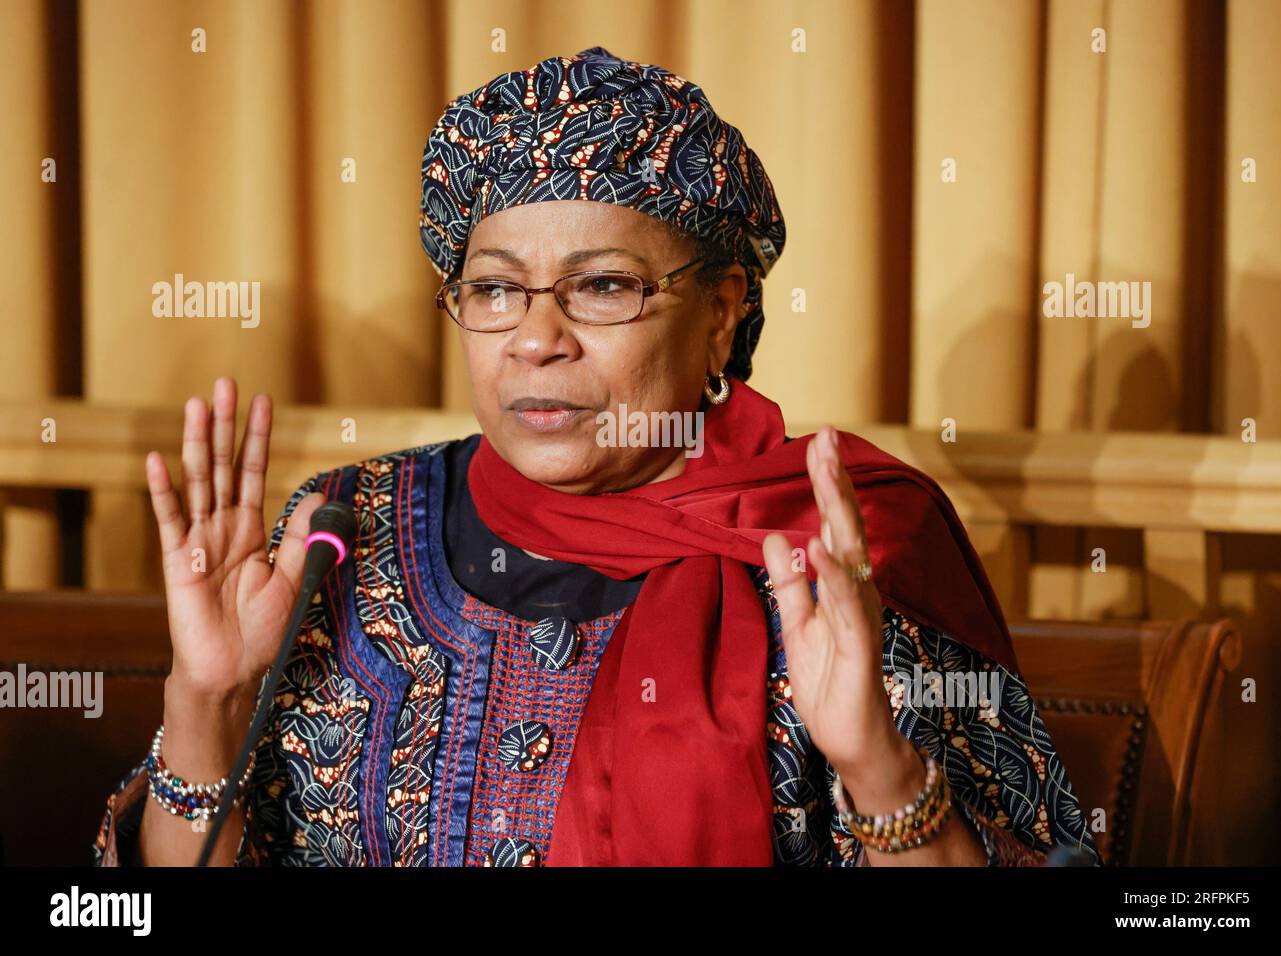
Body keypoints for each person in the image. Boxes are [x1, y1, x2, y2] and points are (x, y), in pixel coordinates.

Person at [93, 46, 1098, 867]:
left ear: (721, 315)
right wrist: (206, 703)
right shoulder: (344, 531)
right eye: (492, 290)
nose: (535, 338)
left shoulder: (836, 544)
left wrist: (881, 770)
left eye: (604, 286)